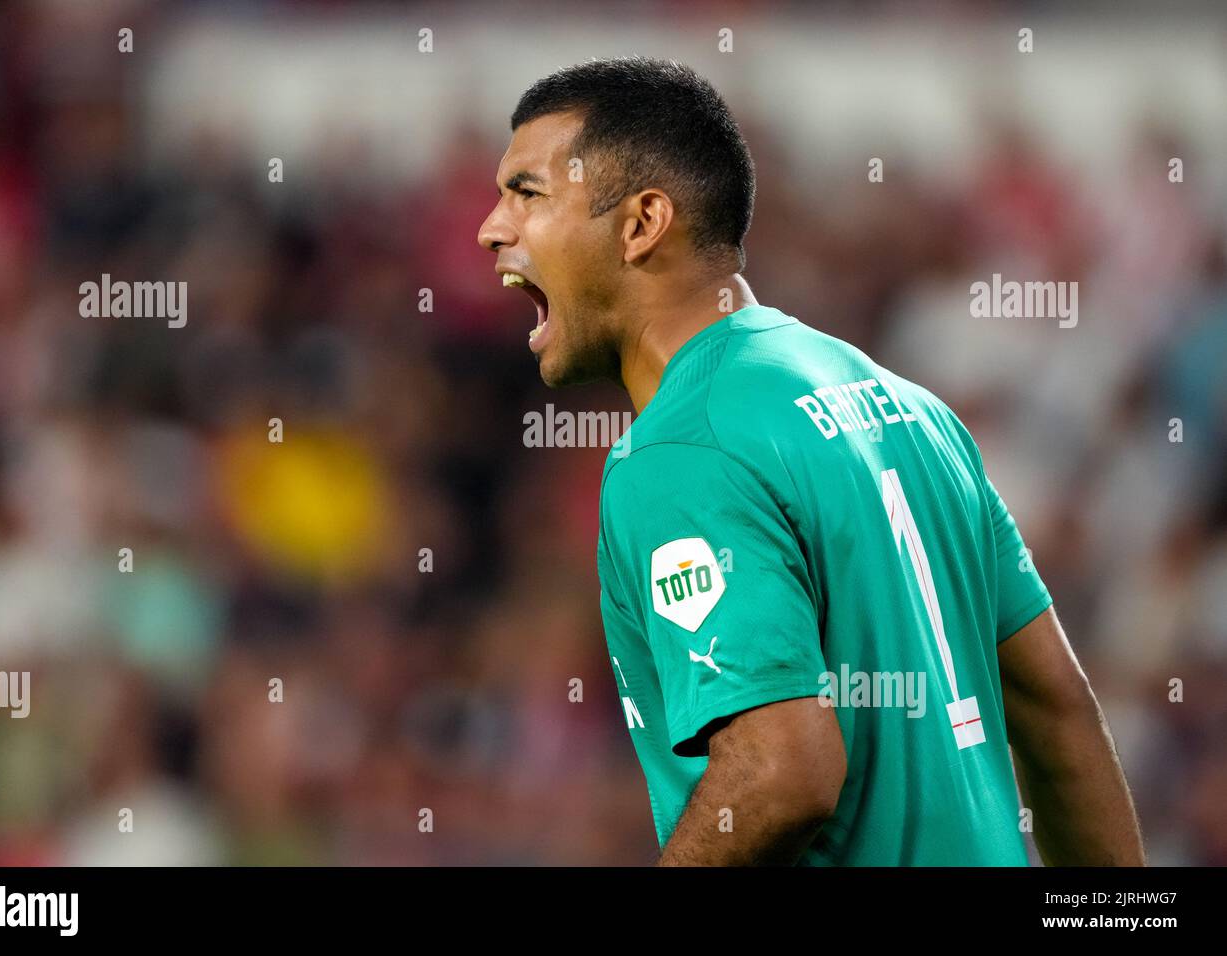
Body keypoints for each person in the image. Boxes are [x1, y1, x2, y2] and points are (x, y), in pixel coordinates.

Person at [477, 56, 1145, 866]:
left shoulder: (680, 451)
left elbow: (784, 772)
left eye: (528, 193)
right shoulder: (911, 408)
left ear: (642, 223)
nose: (492, 228)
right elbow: (1057, 707)